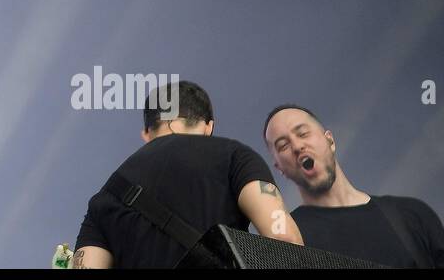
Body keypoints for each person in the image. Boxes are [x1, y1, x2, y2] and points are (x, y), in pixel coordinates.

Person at [73, 81, 302, 267]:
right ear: (208, 126)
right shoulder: (234, 156)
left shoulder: (105, 198)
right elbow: (284, 241)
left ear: (146, 133)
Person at [262, 104, 444, 268]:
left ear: (329, 140)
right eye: (283, 146)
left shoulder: (412, 214)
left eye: (303, 133)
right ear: (279, 168)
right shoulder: (288, 241)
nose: (297, 147)